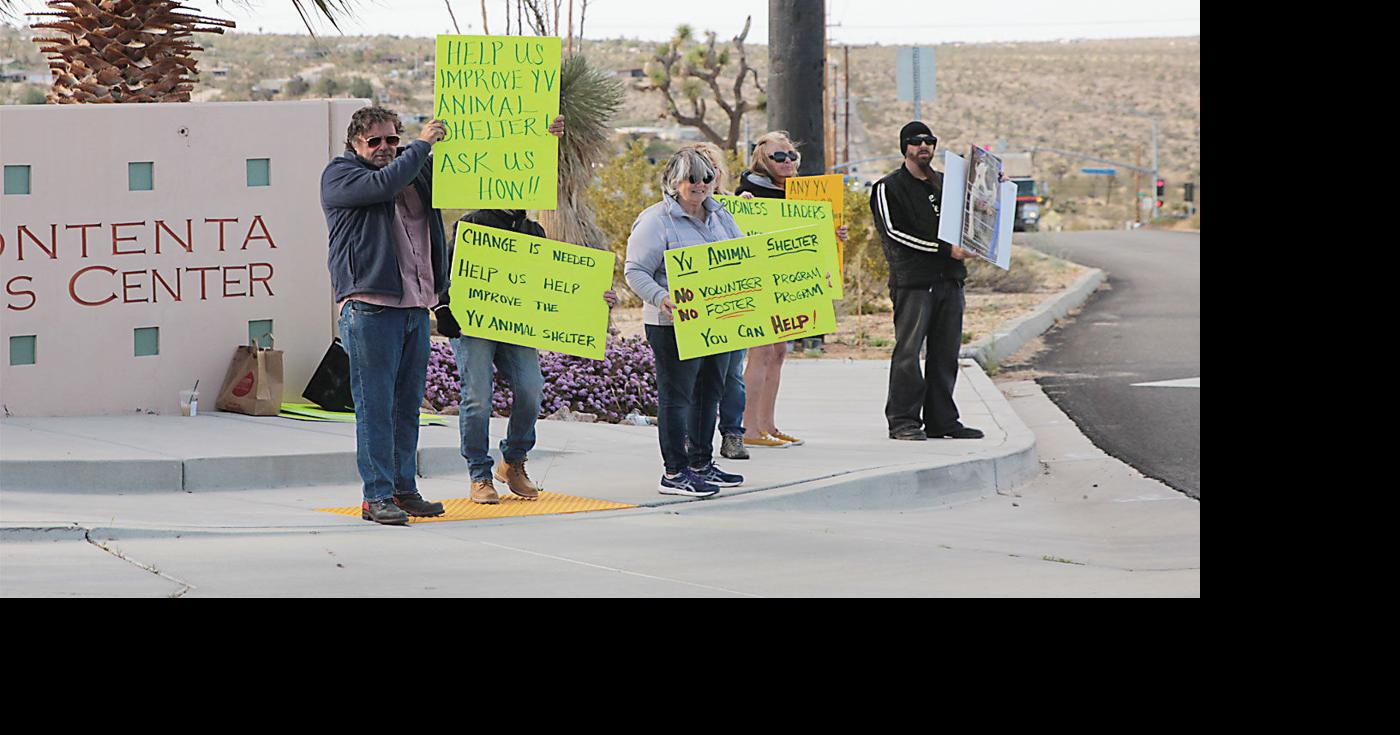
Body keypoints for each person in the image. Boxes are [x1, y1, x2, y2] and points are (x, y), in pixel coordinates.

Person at [435, 117, 620, 505]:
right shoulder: (473, 222)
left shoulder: (534, 231)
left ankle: (514, 460)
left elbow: (551, 284)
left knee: (531, 390)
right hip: (475, 326)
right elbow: (451, 275)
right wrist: (445, 306)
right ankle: (479, 474)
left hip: (517, 327)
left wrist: (593, 299)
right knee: (477, 398)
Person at [320, 106, 449, 525]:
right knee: (375, 405)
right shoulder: (342, 176)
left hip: (414, 305)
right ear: (355, 144)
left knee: (407, 405)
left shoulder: (417, 173)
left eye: (392, 139)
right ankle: (376, 496)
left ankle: (404, 489)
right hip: (371, 306)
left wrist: (542, 138)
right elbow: (385, 183)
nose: (384, 148)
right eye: (374, 141)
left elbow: (483, 179)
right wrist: (423, 145)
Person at [624, 148, 746, 498]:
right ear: (674, 181)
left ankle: (701, 463)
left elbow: (741, 256)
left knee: (710, 392)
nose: (700, 185)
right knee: (678, 397)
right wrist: (661, 298)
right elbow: (635, 270)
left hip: (717, 322)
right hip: (672, 325)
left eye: (706, 177)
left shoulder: (721, 216)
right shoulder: (656, 220)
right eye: (692, 178)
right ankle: (674, 472)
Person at [869, 121, 985, 441]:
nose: (923, 146)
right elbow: (894, 233)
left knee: (946, 354)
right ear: (904, 147)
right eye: (916, 141)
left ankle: (942, 420)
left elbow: (975, 211)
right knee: (909, 353)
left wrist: (994, 187)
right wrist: (946, 249)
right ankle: (903, 421)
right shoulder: (888, 187)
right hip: (915, 283)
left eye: (929, 141)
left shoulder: (946, 184)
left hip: (950, 281)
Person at [734, 131, 847, 450]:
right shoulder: (749, 193)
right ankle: (748, 427)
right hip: (760, 283)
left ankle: (767, 424)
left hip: (789, 284)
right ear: (761, 160)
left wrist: (834, 233)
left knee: (779, 351)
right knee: (760, 351)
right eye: (778, 157)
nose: (786, 162)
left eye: (790, 156)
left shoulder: (802, 196)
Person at [680, 142, 749, 461]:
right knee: (693, 377)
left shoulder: (732, 211)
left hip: (732, 307)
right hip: (694, 310)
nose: (702, 179)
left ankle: (732, 433)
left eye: (709, 170)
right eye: (695, 172)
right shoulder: (674, 211)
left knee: (732, 374)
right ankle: (690, 438)